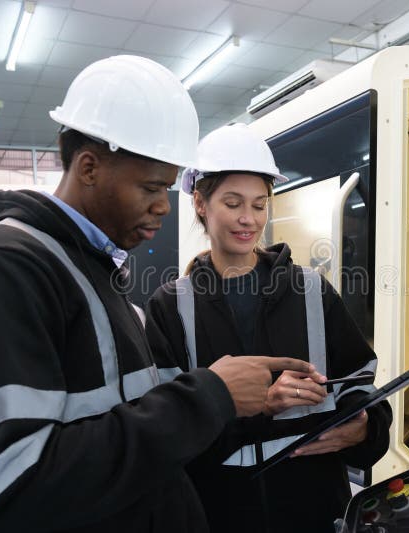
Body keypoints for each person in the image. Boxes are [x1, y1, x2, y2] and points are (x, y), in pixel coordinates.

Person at [0, 56, 321, 532]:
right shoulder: (1, 270)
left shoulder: (92, 274)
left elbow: (130, 438)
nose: (161, 207)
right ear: (88, 167)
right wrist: (209, 394)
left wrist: (232, 406)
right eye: (151, 187)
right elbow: (11, 488)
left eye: (169, 189)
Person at [145, 123, 393, 533]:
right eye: (233, 203)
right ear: (201, 204)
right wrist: (257, 407)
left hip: (315, 513)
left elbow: (362, 388)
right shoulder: (170, 307)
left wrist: (366, 429)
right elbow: (167, 432)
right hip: (219, 515)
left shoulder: (311, 290)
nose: (248, 219)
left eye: (259, 205)